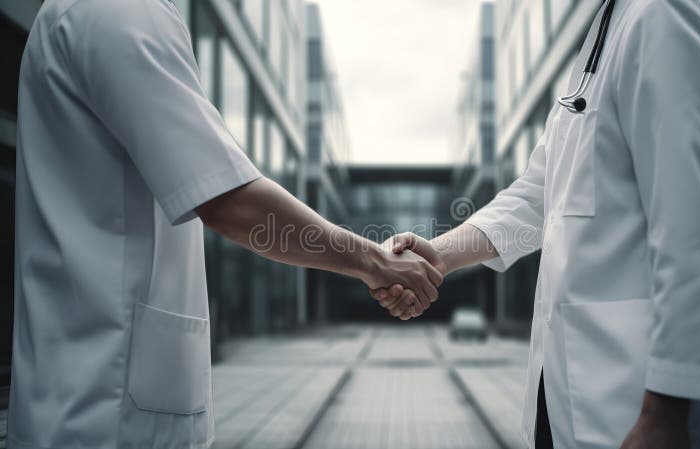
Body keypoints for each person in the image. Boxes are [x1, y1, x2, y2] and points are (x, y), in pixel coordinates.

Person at [8, 0, 441, 448]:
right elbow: (232, 202)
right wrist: (376, 262)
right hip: (101, 416)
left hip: (101, 403)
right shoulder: (120, 9)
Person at [373, 0, 700, 447]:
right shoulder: (599, 39)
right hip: (565, 397)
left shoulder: (661, 17)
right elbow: (537, 194)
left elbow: (693, 232)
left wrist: (665, 410)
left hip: (635, 406)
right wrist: (439, 255)